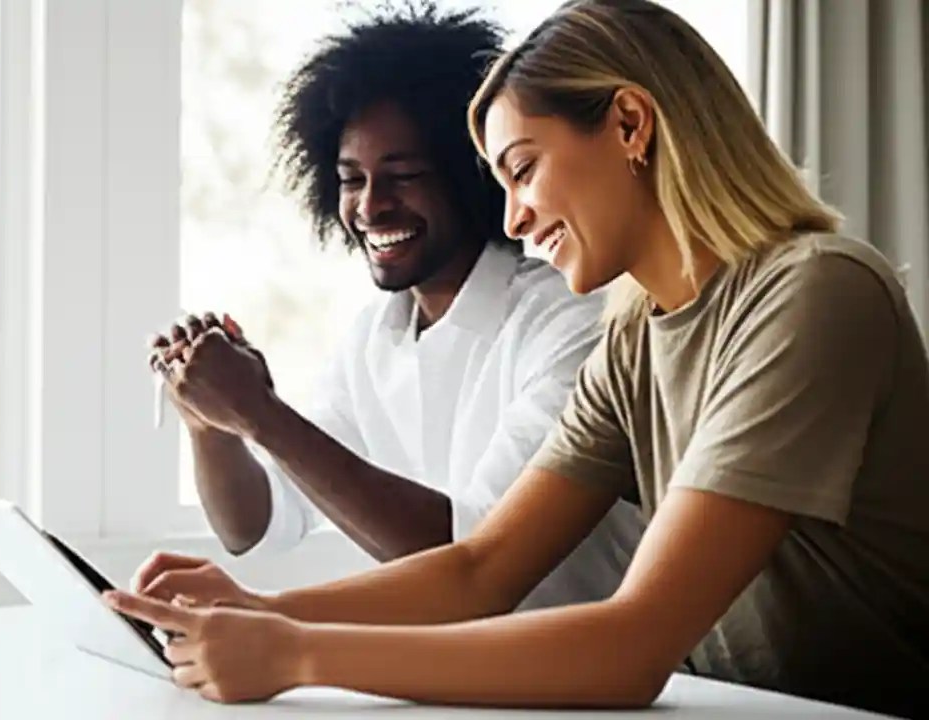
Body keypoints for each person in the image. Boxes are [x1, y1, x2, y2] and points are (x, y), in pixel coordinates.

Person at [114, 1, 929, 715]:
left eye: (524, 169)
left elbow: (635, 643)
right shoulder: (634, 332)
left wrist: (296, 653)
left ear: (631, 126)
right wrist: (266, 614)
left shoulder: (814, 294)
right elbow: (479, 569)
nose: (514, 217)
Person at [147, 4, 641, 610]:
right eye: (352, 180)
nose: (371, 207)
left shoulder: (568, 323)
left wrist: (259, 411)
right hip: (448, 685)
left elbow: (470, 558)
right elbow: (255, 527)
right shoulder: (374, 338)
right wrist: (212, 425)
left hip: (581, 687)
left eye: (402, 174)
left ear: (472, 176)